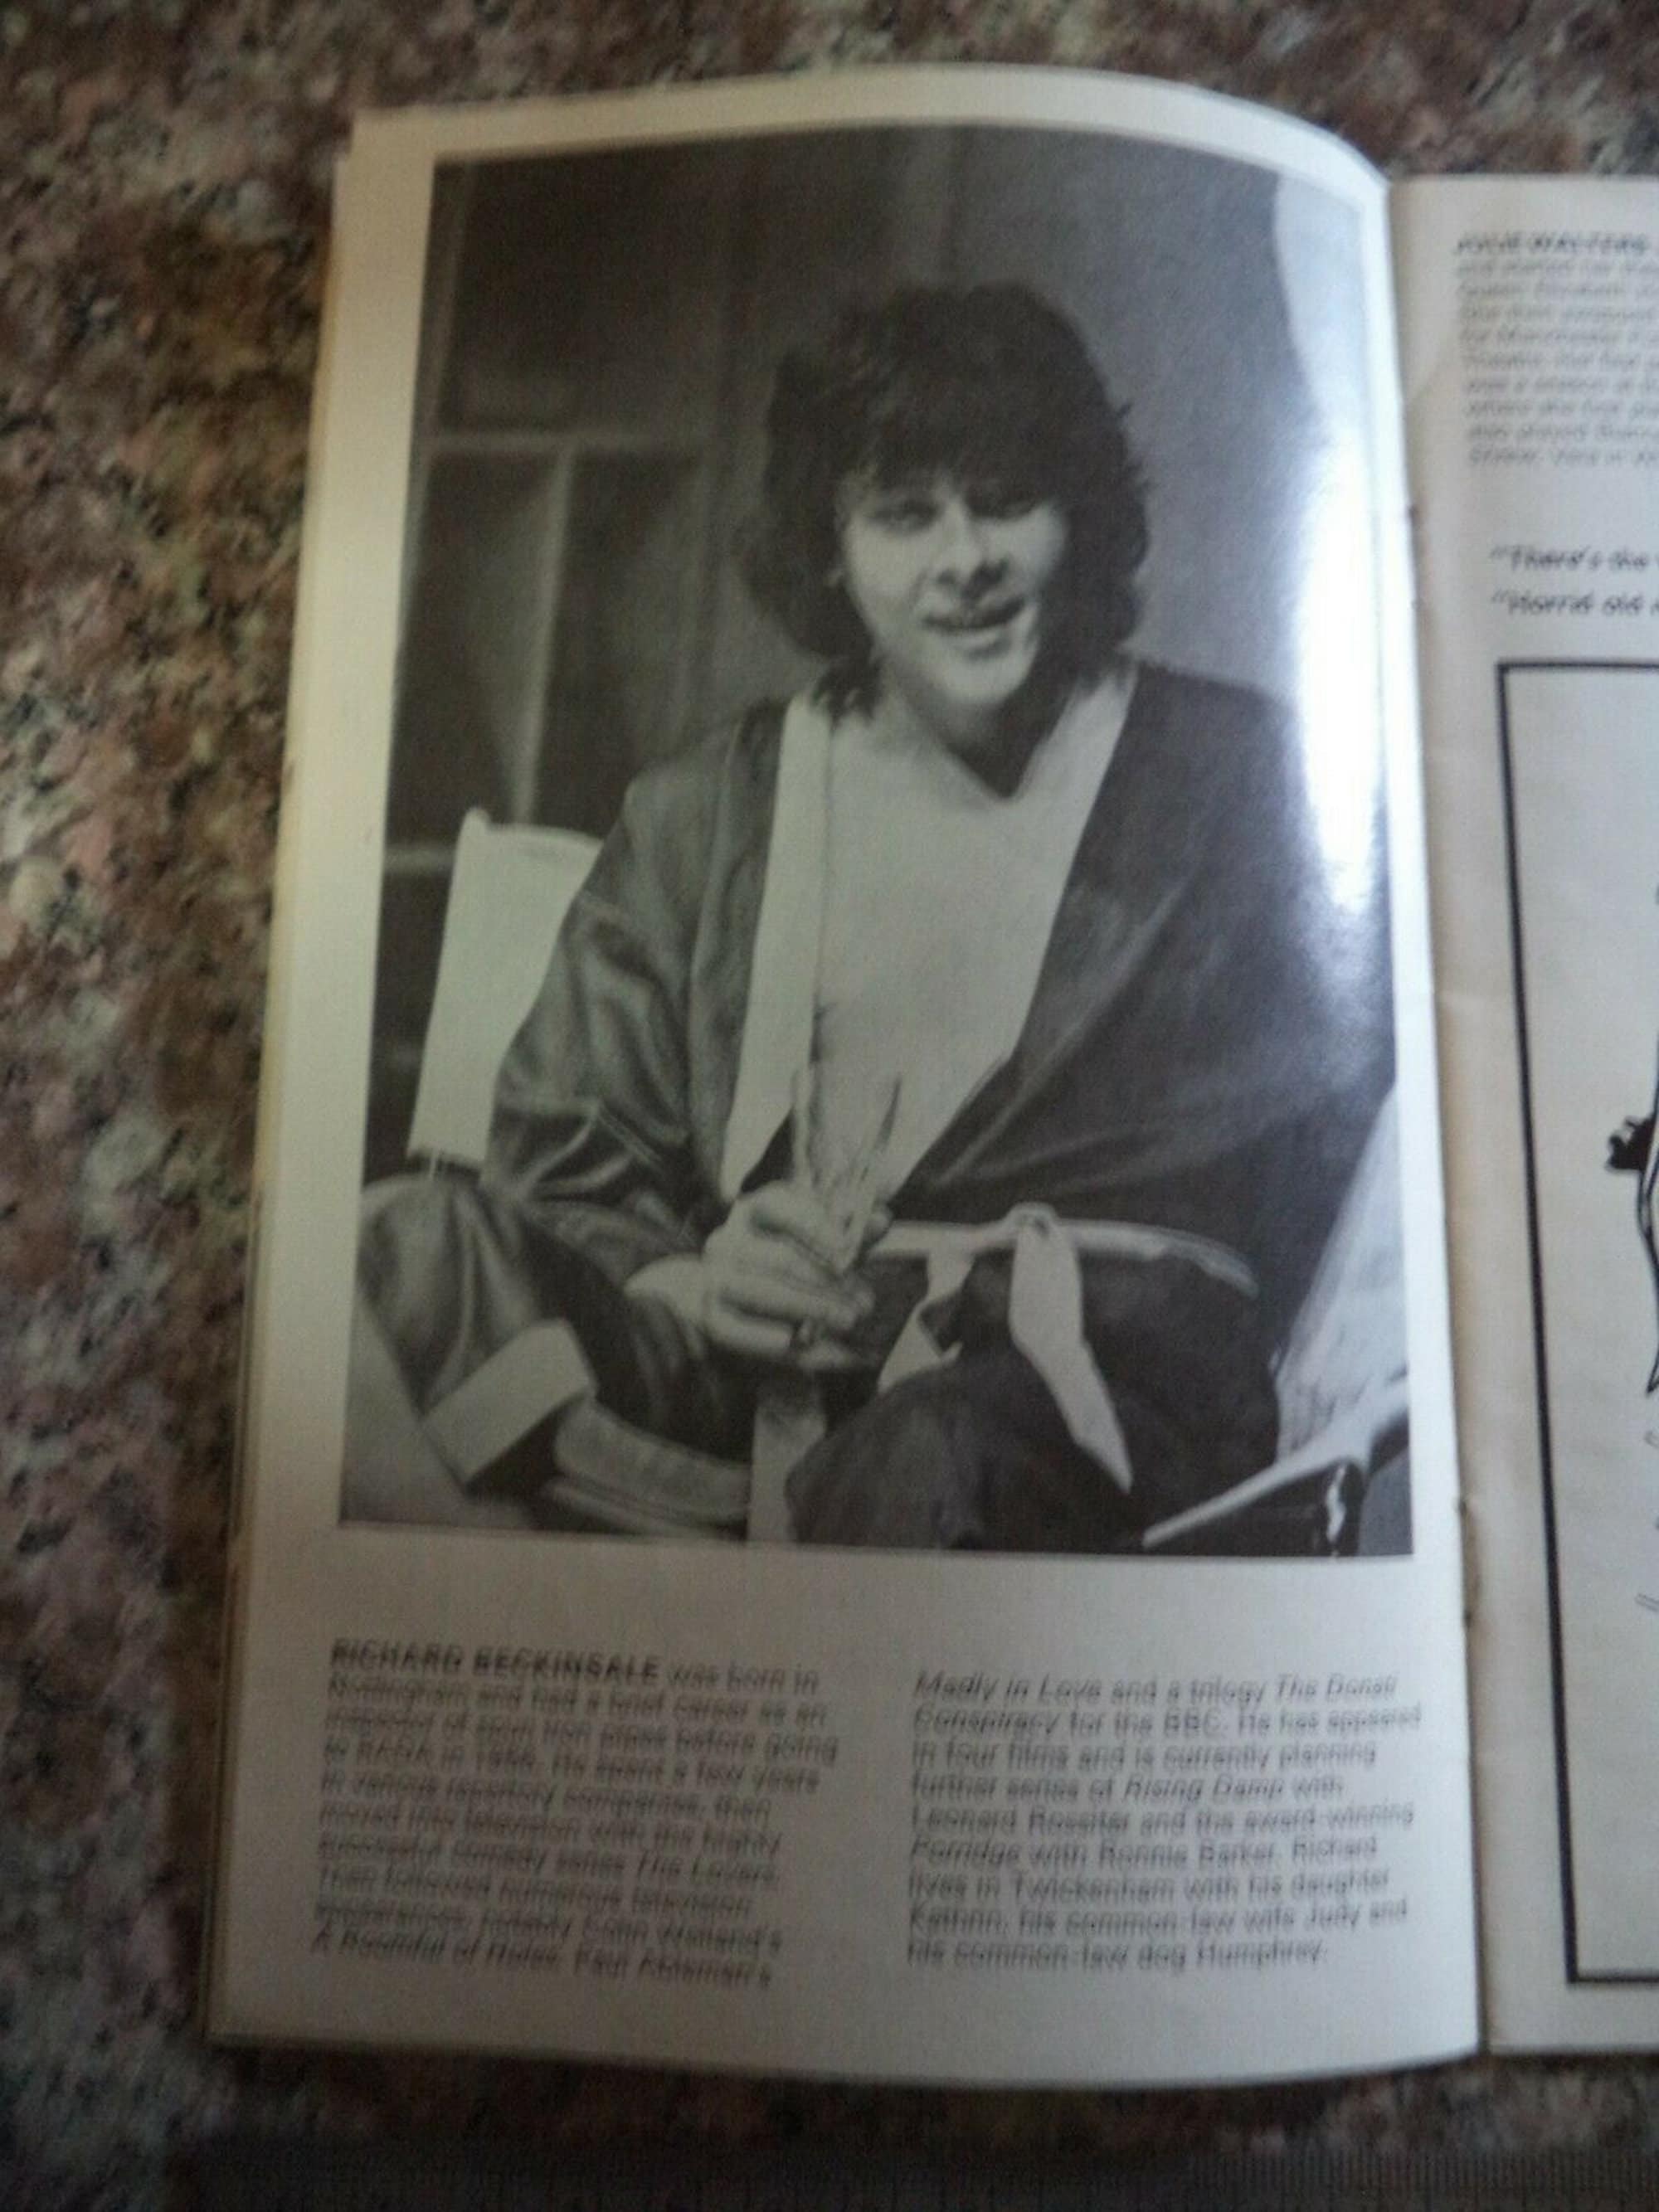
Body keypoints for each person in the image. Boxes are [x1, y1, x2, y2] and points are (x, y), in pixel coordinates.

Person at [351, 283, 1394, 1552]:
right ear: (830, 552)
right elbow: (565, 1151)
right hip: (757, 1371)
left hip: (1078, 1391)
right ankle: (665, 1539)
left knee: (932, 1461)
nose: (967, 562)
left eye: (1009, 500)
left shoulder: (1241, 778)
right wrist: (701, 1275)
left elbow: (1370, 1122)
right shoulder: (704, 813)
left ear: (1080, 511)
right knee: (395, 1245)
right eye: (906, 515)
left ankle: (704, 1548)